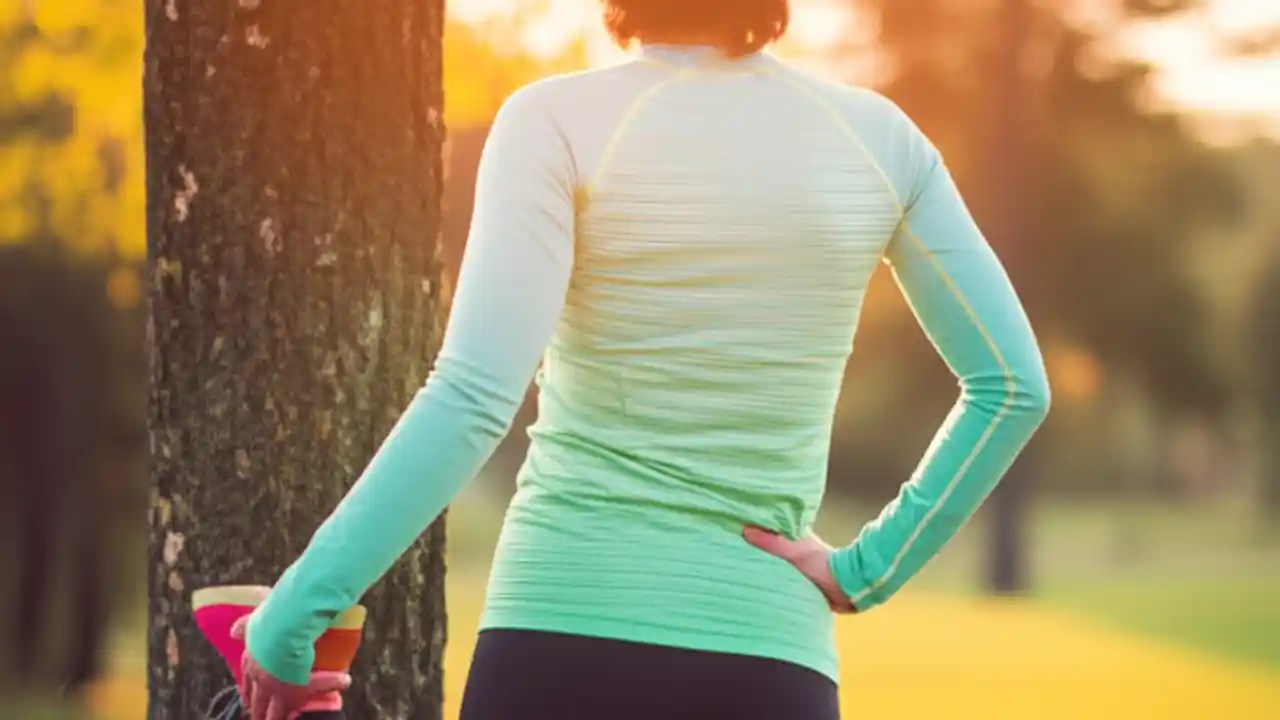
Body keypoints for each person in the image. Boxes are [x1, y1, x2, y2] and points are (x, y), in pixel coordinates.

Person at [232, 0, 1052, 717]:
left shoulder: (553, 120)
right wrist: (868, 571)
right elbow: (1013, 387)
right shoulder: (880, 142)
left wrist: (299, 609)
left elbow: (475, 396)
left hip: (560, 635)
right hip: (769, 660)